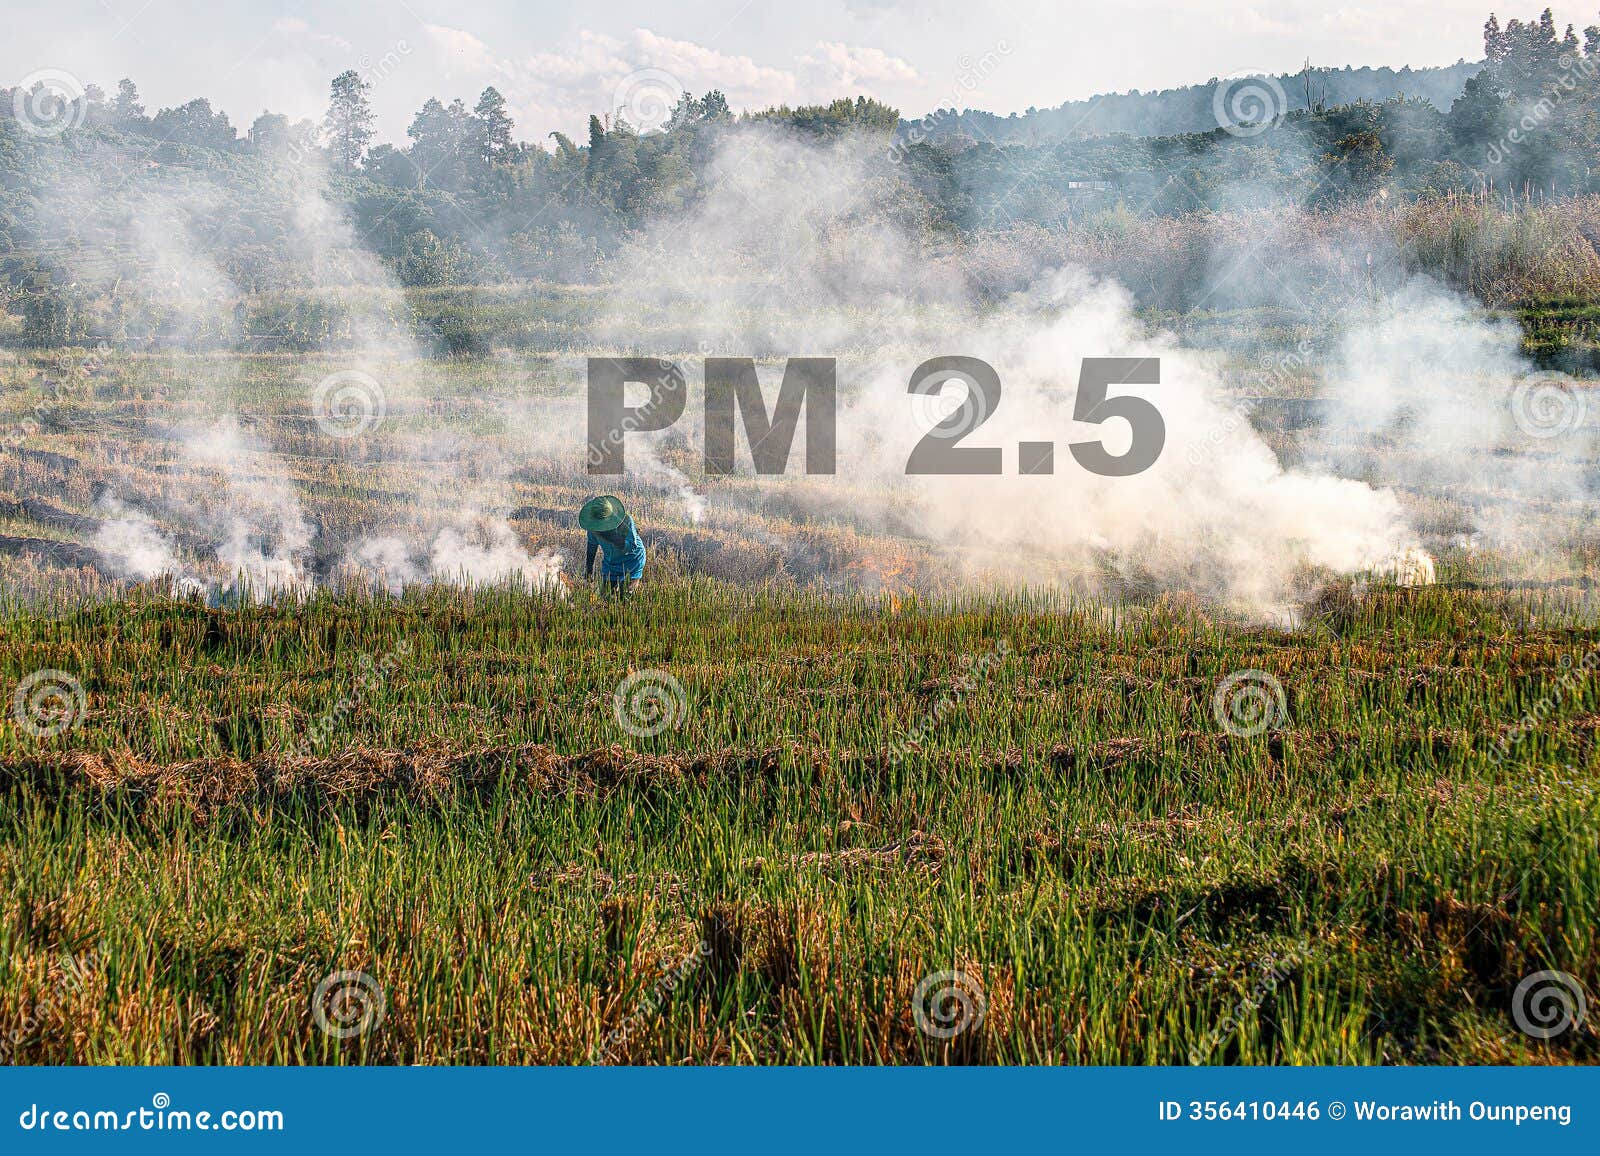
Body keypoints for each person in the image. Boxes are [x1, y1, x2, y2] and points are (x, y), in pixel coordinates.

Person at [579, 494, 645, 598]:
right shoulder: (593, 525)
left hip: (631, 562)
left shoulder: (625, 521)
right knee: (606, 596)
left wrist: (611, 536)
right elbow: (591, 546)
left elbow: (631, 546)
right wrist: (589, 570)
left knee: (625, 596)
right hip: (611, 563)